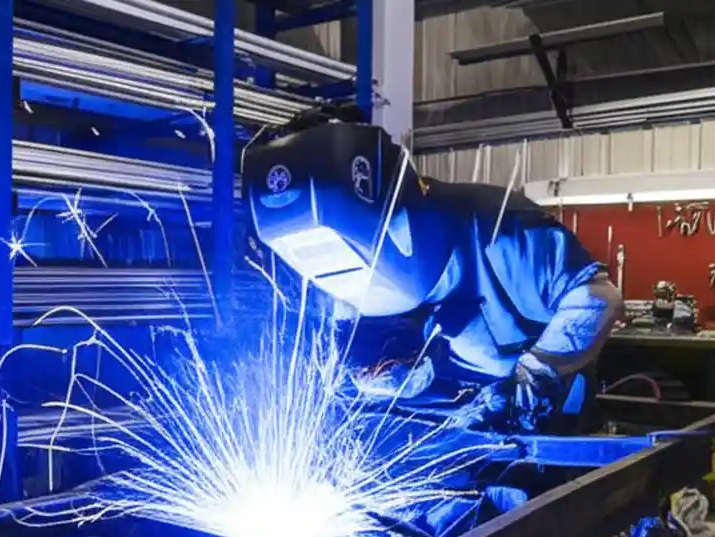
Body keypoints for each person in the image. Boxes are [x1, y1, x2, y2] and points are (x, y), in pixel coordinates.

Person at [243, 114, 622, 434]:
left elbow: (596, 297)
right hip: (443, 427)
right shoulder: (323, 280)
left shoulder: (496, 230)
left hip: (542, 427)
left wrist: (541, 369)